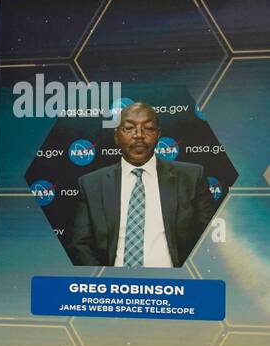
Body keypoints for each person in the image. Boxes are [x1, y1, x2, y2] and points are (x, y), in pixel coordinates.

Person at [67, 102, 217, 268]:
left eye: (148, 128)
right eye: (129, 128)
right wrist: (105, 282)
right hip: (113, 286)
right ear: (116, 136)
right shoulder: (91, 184)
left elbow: (209, 239)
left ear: (158, 135)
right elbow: (80, 245)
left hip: (174, 286)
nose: (138, 135)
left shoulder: (191, 177)